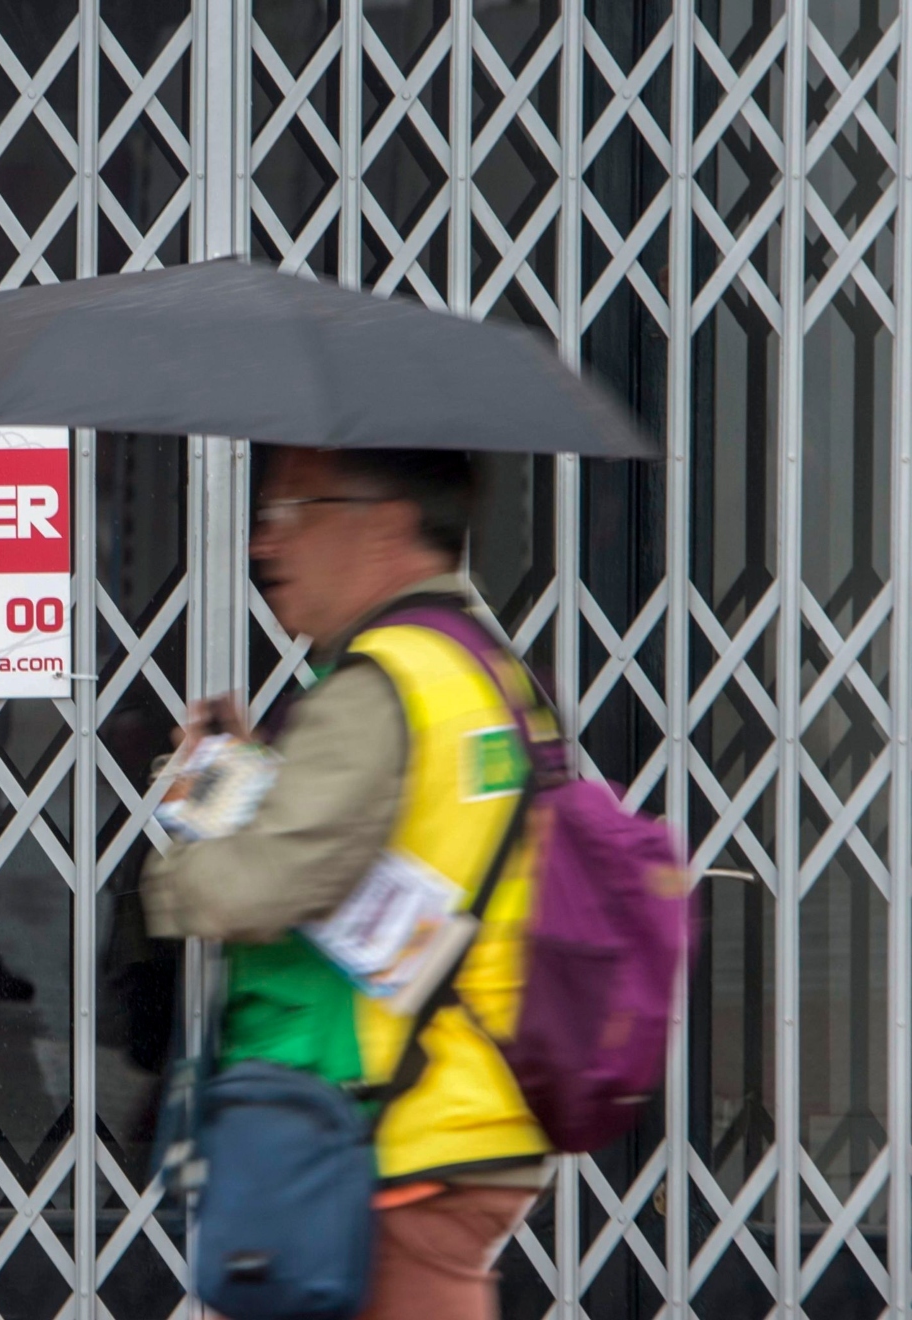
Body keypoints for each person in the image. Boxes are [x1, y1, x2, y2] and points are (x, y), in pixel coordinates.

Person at [142, 446, 549, 1320]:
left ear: (384, 524)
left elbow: (250, 889)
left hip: (382, 1125)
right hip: (458, 1108)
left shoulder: (379, 686)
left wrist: (180, 851)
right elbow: (386, 843)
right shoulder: (482, 668)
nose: (264, 545)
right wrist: (250, 772)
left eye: (292, 512)